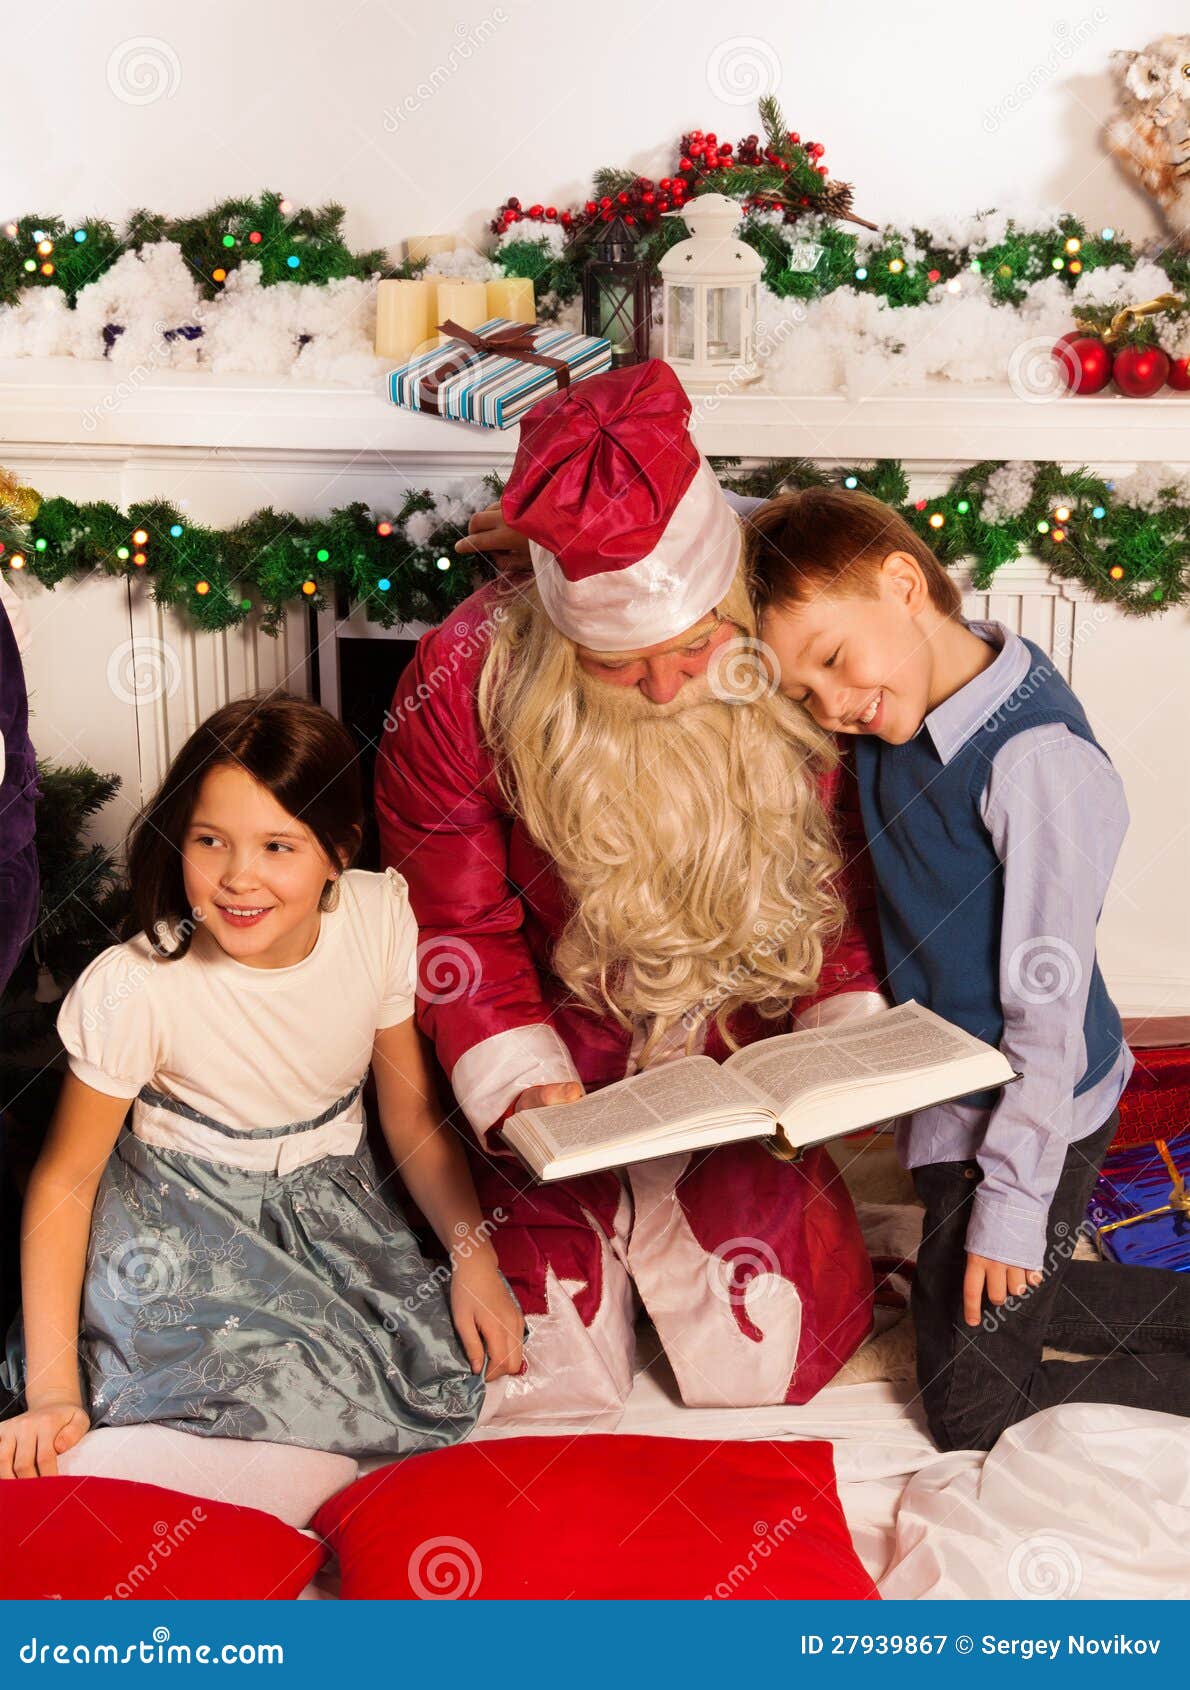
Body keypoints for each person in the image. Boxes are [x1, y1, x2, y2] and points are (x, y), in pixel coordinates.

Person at [376, 361, 887, 1422]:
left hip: (735, 1062)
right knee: (542, 1387)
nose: (663, 688)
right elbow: (453, 919)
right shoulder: (463, 677)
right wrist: (521, 1082)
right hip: (563, 1057)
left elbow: (832, 864)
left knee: (760, 1370)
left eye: (695, 648)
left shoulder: (789, 636)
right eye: (617, 664)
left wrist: (839, 1037)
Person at [747, 484, 1190, 1451]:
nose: (833, 707)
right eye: (803, 693)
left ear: (906, 584)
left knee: (972, 1413)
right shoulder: (900, 691)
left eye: (831, 662)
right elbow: (771, 532)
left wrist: (1014, 1206)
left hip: (1040, 1105)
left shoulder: (1037, 764)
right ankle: (1016, 1277)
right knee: (976, 1302)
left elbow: (1048, 1018)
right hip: (953, 1083)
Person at [0, 693, 522, 1480]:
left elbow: (408, 1110)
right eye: (211, 841)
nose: (239, 879)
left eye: (279, 846)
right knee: (219, 1400)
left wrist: (473, 1258)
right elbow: (66, 1181)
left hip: (327, 1204)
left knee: (397, 1385)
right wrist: (50, 1390)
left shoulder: (378, 918)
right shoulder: (137, 984)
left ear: (338, 849)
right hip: (179, 1225)